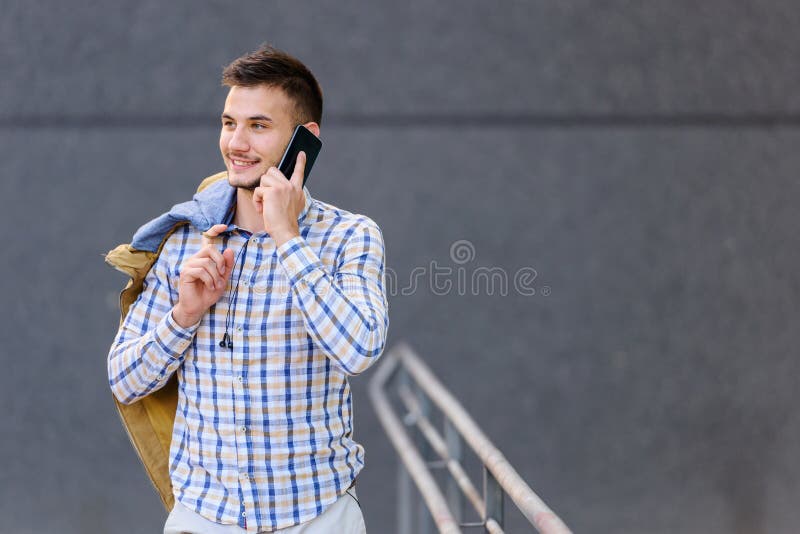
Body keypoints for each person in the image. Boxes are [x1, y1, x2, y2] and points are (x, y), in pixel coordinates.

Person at [107, 44, 389, 534]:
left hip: (319, 516)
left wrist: (286, 237)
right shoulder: (184, 240)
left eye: (258, 126)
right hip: (203, 517)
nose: (236, 142)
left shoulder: (351, 236)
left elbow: (359, 349)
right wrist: (183, 317)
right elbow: (124, 380)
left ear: (306, 138)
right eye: (228, 122)